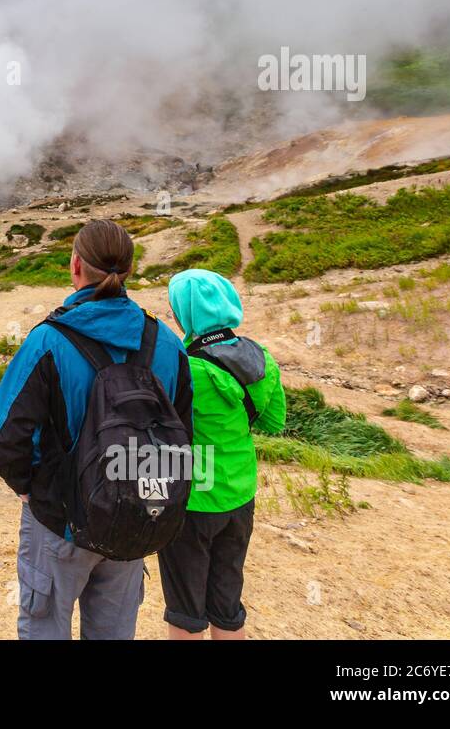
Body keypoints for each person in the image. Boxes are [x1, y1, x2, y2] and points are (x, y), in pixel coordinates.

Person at [0, 219, 193, 639]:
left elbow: (9, 439)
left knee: (45, 627)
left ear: (76, 264)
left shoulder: (48, 340)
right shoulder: (168, 344)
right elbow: (183, 433)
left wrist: (32, 489)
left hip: (58, 521)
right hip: (133, 515)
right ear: (129, 271)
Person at [159, 268, 286, 640]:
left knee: (185, 611)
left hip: (192, 503)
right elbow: (274, 421)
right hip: (240, 496)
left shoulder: (183, 366)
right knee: (227, 607)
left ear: (186, 313)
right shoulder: (261, 357)